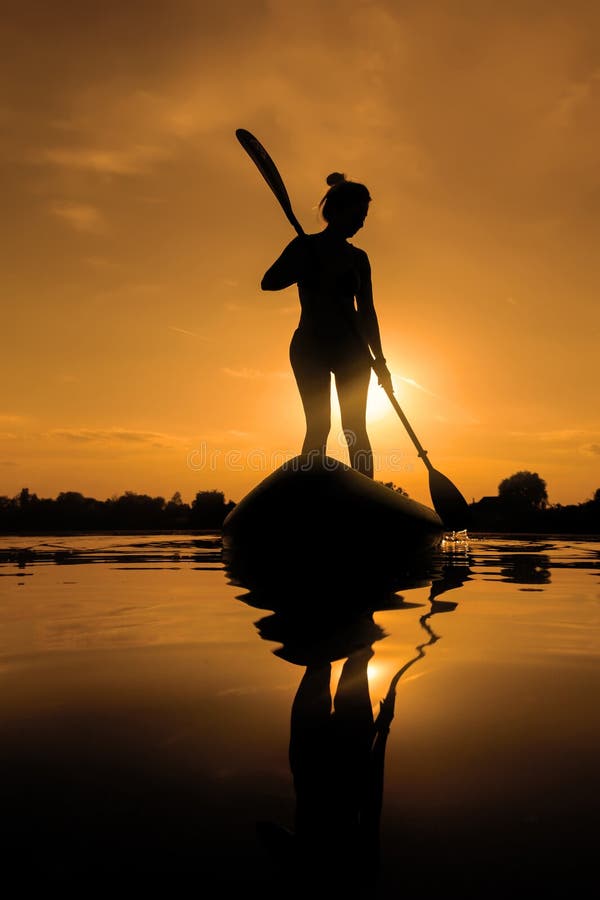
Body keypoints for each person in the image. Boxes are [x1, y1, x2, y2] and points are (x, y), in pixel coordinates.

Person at [261, 172, 393, 479]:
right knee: (319, 427)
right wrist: (306, 265)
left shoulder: (359, 258)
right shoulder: (304, 247)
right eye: (359, 215)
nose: (362, 223)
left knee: (355, 429)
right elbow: (268, 282)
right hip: (311, 347)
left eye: (365, 216)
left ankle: (365, 498)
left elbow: (368, 312)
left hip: (353, 351)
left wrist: (380, 361)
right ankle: (311, 497)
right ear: (337, 212)